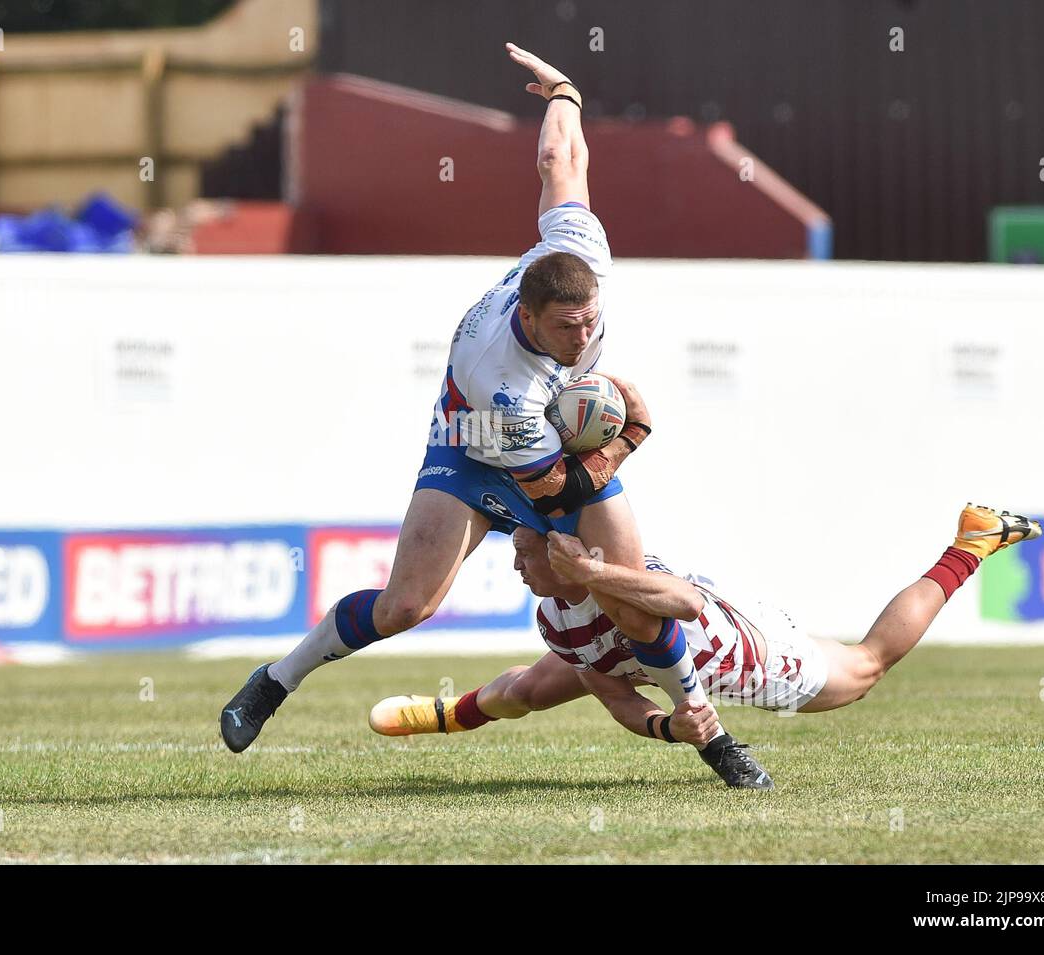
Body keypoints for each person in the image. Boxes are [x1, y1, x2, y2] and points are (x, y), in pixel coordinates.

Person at [221, 43, 722, 754]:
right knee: (404, 606)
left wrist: (565, 96)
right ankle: (274, 679)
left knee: (630, 591)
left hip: (546, 439)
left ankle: (711, 733)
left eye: (591, 323)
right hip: (475, 442)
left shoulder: (582, 257)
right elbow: (554, 488)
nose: (584, 339)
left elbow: (561, 167)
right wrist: (630, 437)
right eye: (566, 329)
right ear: (527, 316)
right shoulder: (500, 376)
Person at [369, 505, 1043, 788]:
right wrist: (666, 725)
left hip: (739, 652)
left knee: (866, 667)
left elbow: (685, 604)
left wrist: (593, 574)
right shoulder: (554, 616)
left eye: (523, 550)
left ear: (565, 551)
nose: (515, 563)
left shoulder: (619, 576)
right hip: (640, 660)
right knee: (529, 688)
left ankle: (970, 542)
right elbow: (616, 698)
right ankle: (447, 713)